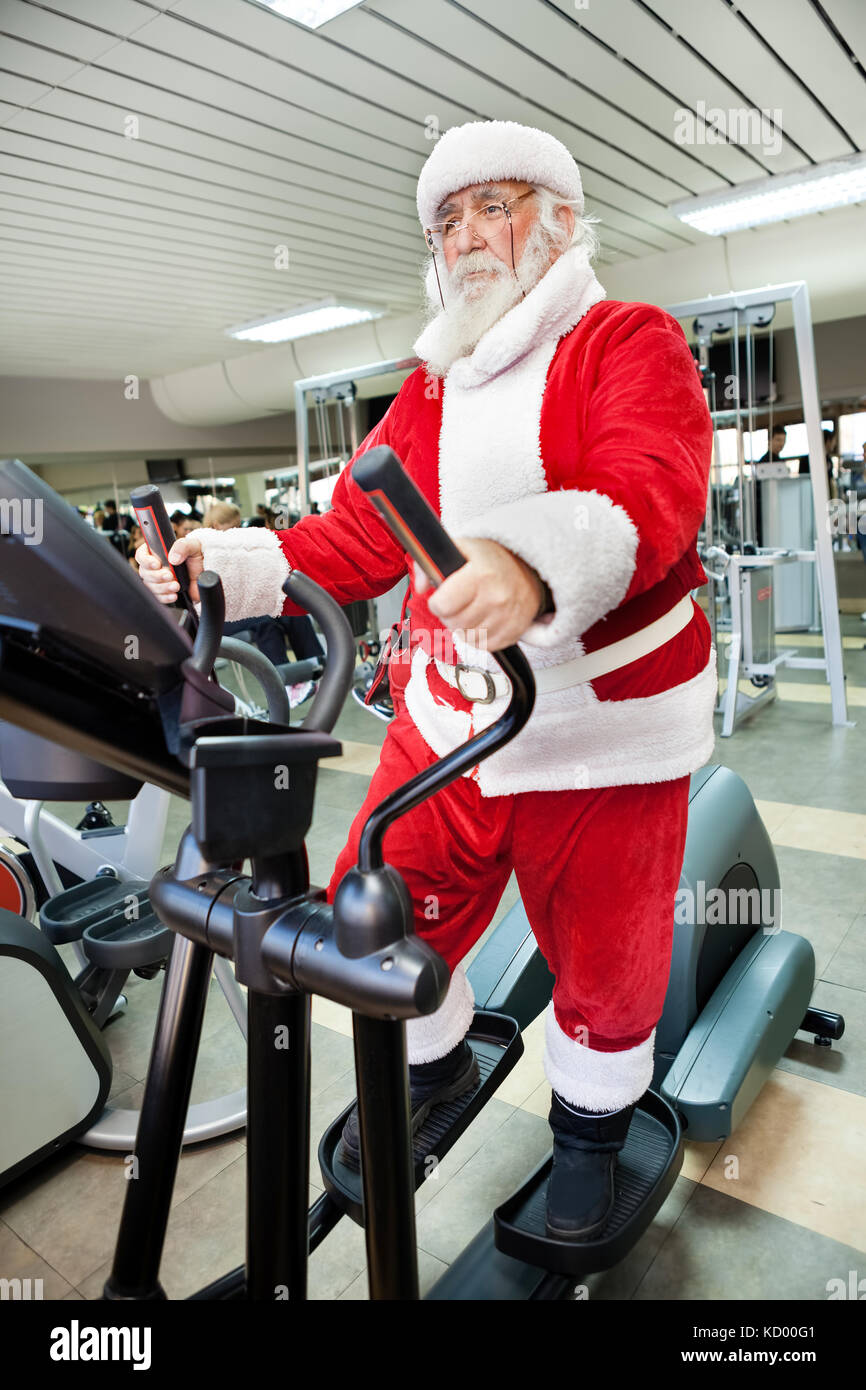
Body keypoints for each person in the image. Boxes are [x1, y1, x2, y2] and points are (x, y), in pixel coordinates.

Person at [137, 119, 715, 1242]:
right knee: (377, 904)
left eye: (488, 207)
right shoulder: (433, 385)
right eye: (444, 221)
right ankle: (435, 1063)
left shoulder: (622, 339)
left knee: (603, 952)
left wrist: (524, 562)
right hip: (453, 714)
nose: (464, 239)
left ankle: (591, 1134)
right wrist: (238, 558)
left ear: (554, 222)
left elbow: (647, 486)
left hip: (599, 724)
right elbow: (357, 531)